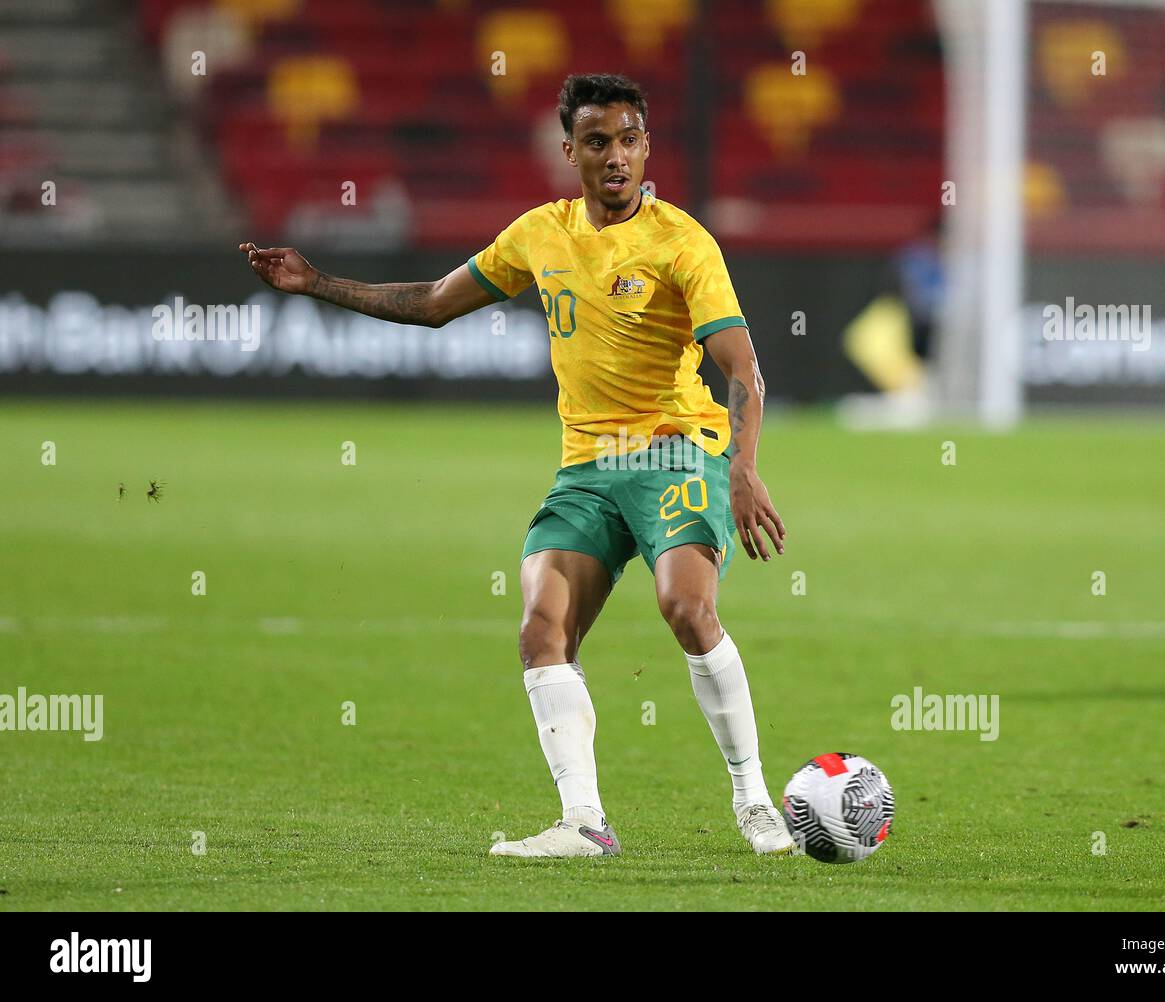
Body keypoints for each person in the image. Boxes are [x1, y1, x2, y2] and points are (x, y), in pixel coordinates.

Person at [239, 73, 791, 858]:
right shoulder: (539, 233)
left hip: (678, 452)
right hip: (588, 468)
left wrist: (742, 467)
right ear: (570, 151)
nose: (615, 157)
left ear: (646, 148)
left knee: (686, 609)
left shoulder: (681, 241)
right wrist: (314, 282)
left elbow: (743, 368)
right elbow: (434, 303)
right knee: (541, 629)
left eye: (629, 140)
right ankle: (585, 824)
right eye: (597, 142)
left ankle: (754, 801)